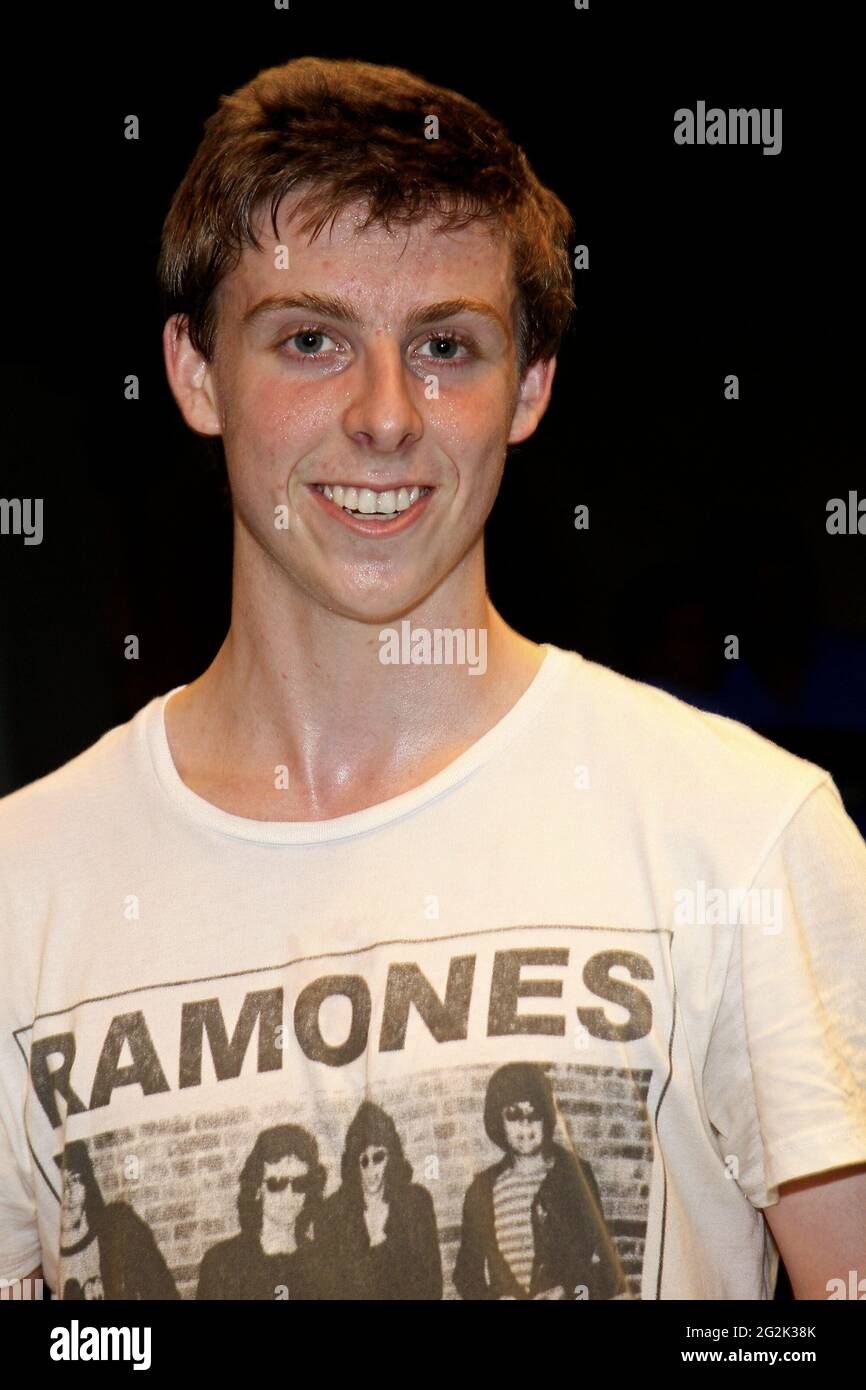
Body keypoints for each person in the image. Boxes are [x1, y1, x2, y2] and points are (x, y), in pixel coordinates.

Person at [1, 56, 864, 1303]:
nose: (386, 414)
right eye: (309, 339)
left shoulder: (739, 835)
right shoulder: (28, 883)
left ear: (528, 387)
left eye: (446, 346)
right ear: (194, 373)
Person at [453, 1064, 624, 1300]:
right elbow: (465, 1275)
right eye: (513, 1115)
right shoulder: (481, 1190)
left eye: (534, 1114)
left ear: (546, 1117)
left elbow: (607, 1265)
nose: (525, 1126)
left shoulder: (575, 1177)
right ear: (498, 1120)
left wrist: (570, 1291)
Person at [310, 1101, 442, 1299]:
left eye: (378, 1157)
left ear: (392, 1156)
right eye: (363, 1160)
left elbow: (432, 1286)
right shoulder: (332, 1213)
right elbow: (328, 1292)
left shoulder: (417, 1202)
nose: (370, 1170)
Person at [197, 1125, 325, 1300]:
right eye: (276, 1184)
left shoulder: (320, 1261)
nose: (289, 1195)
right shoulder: (222, 1263)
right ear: (257, 1188)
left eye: (299, 1184)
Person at [54, 1141, 178, 1300]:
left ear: (87, 1183)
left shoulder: (120, 1227)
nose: (67, 1193)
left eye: (75, 1180)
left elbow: (163, 1291)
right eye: (57, 1184)